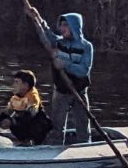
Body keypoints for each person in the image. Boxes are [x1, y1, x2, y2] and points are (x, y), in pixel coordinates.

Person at [25, 8, 94, 143]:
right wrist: (36, 17)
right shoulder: (58, 43)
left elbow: (83, 70)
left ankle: (85, 147)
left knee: (82, 124)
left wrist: (65, 64)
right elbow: (46, 33)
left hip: (79, 90)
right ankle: (55, 150)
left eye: (66, 25)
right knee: (57, 125)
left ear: (74, 26)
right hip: (61, 90)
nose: (62, 28)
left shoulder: (86, 47)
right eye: (61, 25)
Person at [0, 69, 54, 145]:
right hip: (22, 124)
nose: (13, 85)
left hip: (36, 128)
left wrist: (12, 122)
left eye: (17, 82)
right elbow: (6, 113)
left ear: (25, 85)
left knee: (38, 122)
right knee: (5, 116)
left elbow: (30, 115)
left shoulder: (32, 97)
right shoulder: (16, 97)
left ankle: (32, 141)